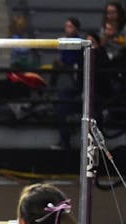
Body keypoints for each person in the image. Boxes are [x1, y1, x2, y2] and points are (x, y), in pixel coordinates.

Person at [52, 16, 83, 150]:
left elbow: (70, 62)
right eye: (66, 26)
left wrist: (62, 65)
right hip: (66, 82)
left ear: (76, 29)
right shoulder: (65, 41)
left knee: (62, 109)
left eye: (70, 26)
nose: (67, 29)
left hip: (74, 82)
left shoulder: (79, 43)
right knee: (60, 109)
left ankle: (66, 138)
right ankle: (65, 137)